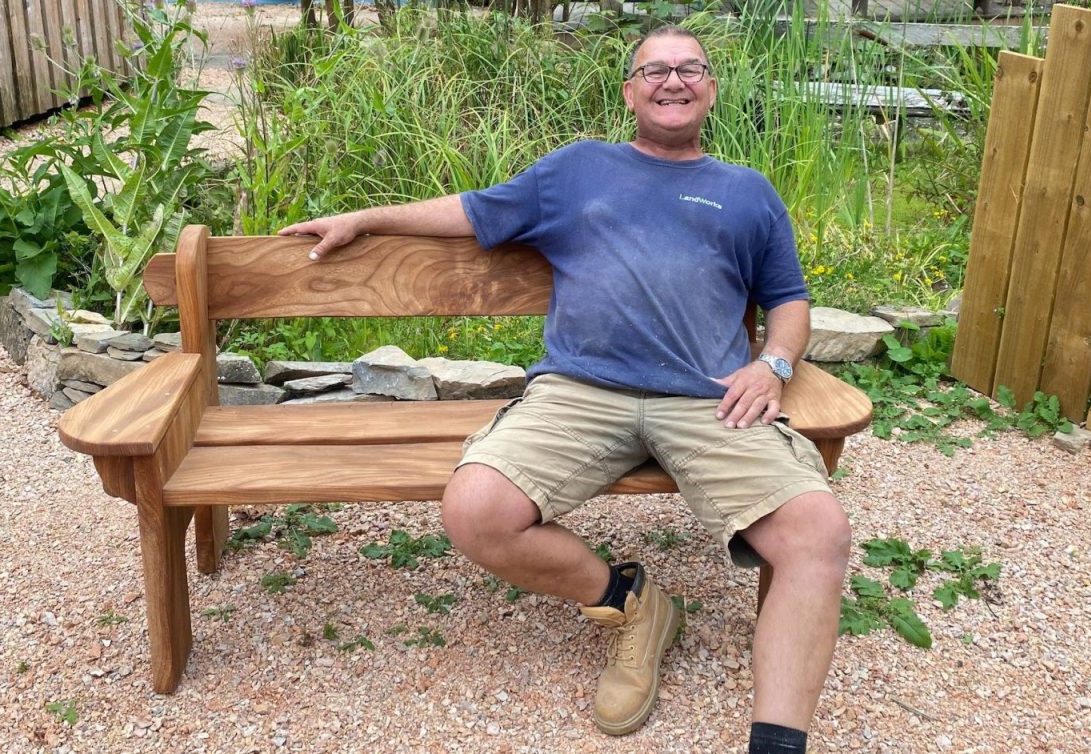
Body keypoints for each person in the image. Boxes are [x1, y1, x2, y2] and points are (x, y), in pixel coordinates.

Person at [278, 25, 850, 754]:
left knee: (817, 535)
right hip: (582, 392)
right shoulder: (577, 170)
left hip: (709, 399)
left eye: (689, 69)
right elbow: (469, 211)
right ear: (629, 91)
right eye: (654, 70)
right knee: (477, 511)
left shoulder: (748, 192)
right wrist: (367, 218)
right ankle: (632, 606)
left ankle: (777, 746)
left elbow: (789, 299)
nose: (672, 81)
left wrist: (771, 365)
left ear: (710, 87)